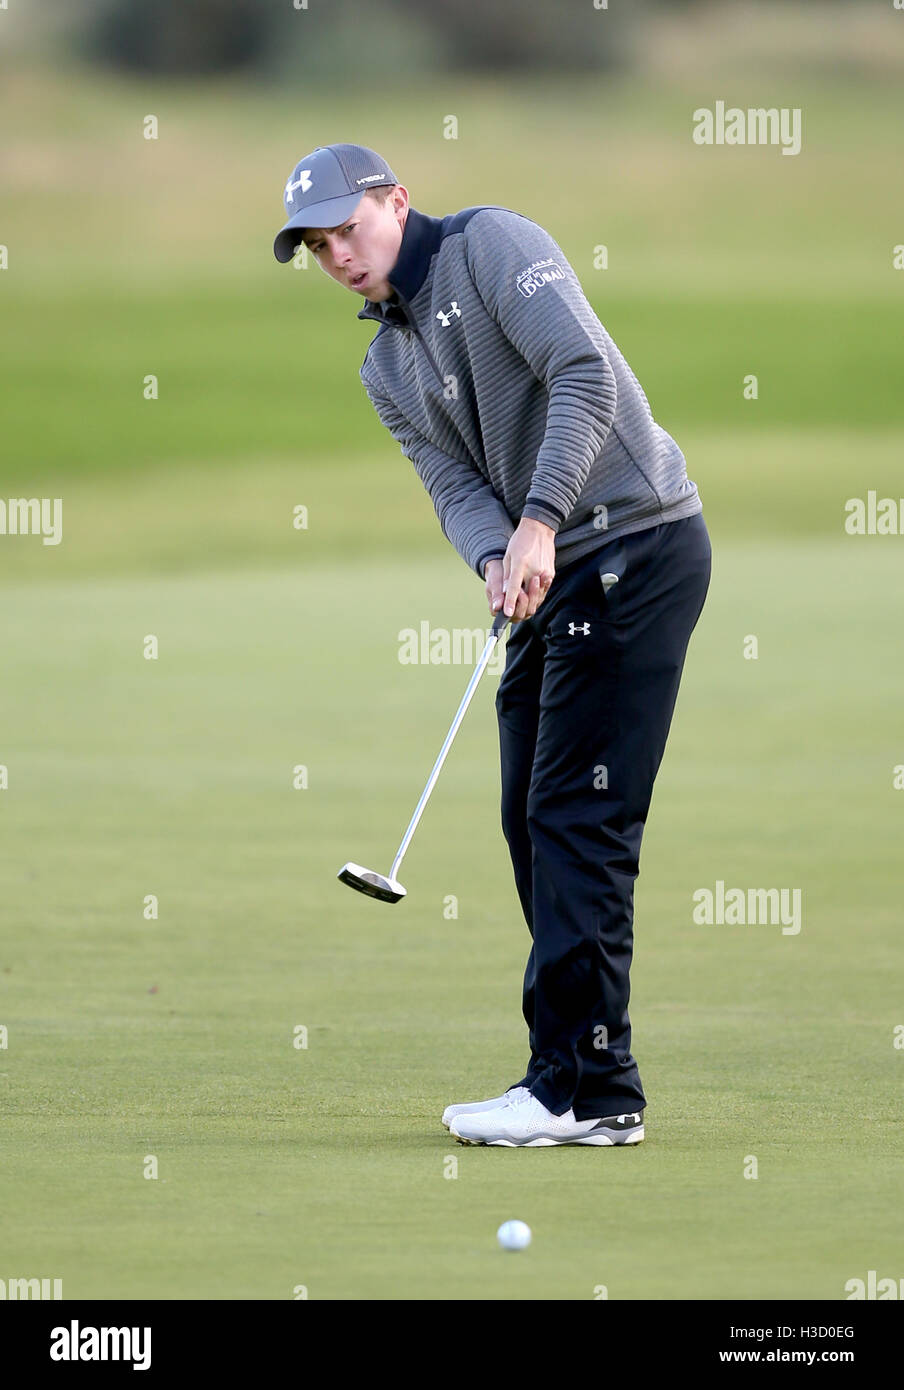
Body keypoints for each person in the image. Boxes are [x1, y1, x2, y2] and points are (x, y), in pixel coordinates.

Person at [273, 143, 712, 1148]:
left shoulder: (492, 245)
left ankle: (589, 1089)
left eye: (348, 227)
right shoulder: (385, 363)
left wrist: (540, 520)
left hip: (633, 545)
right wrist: (491, 553)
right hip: (549, 572)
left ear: (397, 201)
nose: (337, 254)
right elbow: (454, 487)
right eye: (315, 244)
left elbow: (581, 371)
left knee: (575, 815)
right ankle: (570, 1075)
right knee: (529, 814)